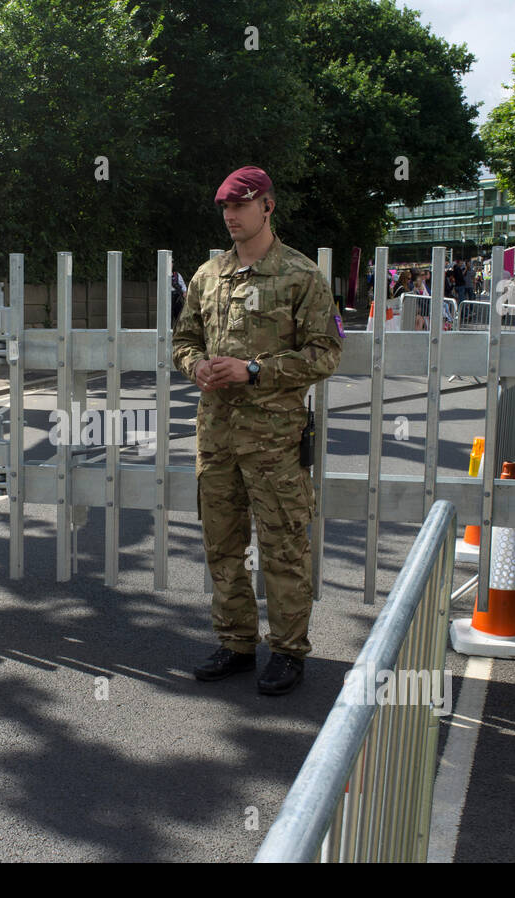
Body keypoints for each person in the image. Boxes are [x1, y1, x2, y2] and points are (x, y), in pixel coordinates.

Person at [171, 165, 343, 695]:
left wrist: (255, 370)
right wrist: (194, 365)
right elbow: (183, 340)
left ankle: (289, 651)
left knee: (283, 548)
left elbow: (326, 353)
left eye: (240, 206)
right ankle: (236, 643)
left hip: (273, 443)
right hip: (217, 439)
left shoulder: (301, 275)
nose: (230, 216)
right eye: (224, 207)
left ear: (267, 206)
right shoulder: (208, 275)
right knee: (222, 546)